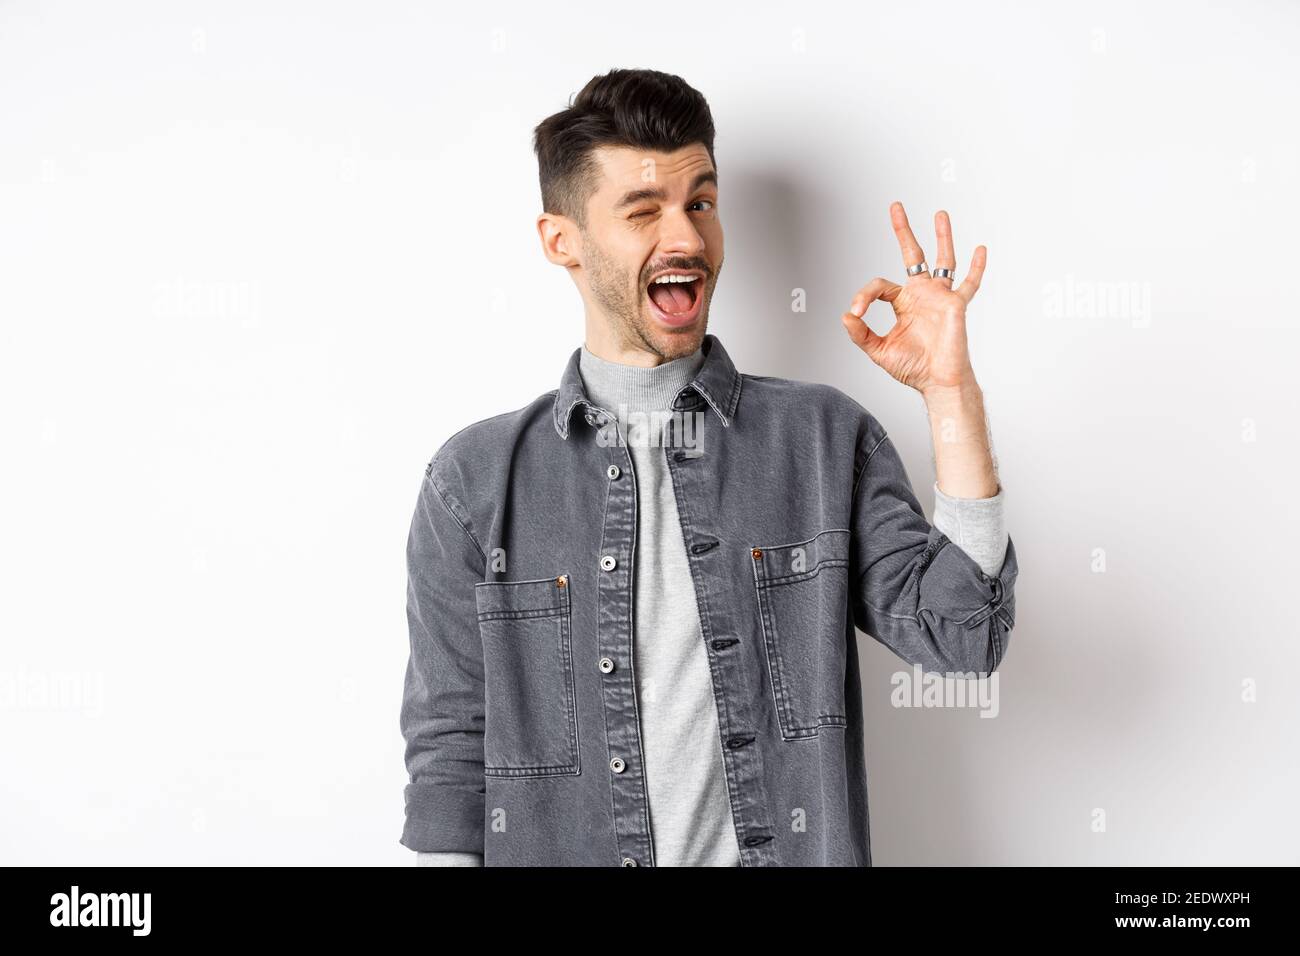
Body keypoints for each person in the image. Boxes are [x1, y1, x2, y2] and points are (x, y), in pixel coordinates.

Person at [399, 68, 1018, 867]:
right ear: (563, 242)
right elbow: (451, 760)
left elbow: (965, 640)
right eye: (643, 210)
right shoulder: (473, 483)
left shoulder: (822, 442)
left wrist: (949, 393)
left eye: (700, 202)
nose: (687, 238)